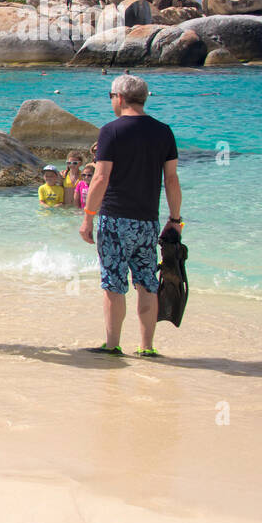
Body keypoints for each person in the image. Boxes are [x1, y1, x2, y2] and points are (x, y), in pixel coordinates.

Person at [79, 74, 182, 357]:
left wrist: (88, 216)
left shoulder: (111, 131)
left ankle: (112, 344)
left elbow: (100, 178)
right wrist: (175, 220)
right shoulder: (164, 131)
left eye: (110, 96)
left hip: (114, 220)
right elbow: (171, 180)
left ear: (120, 98)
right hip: (148, 222)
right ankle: (147, 347)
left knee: (114, 283)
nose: (111, 101)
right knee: (147, 283)